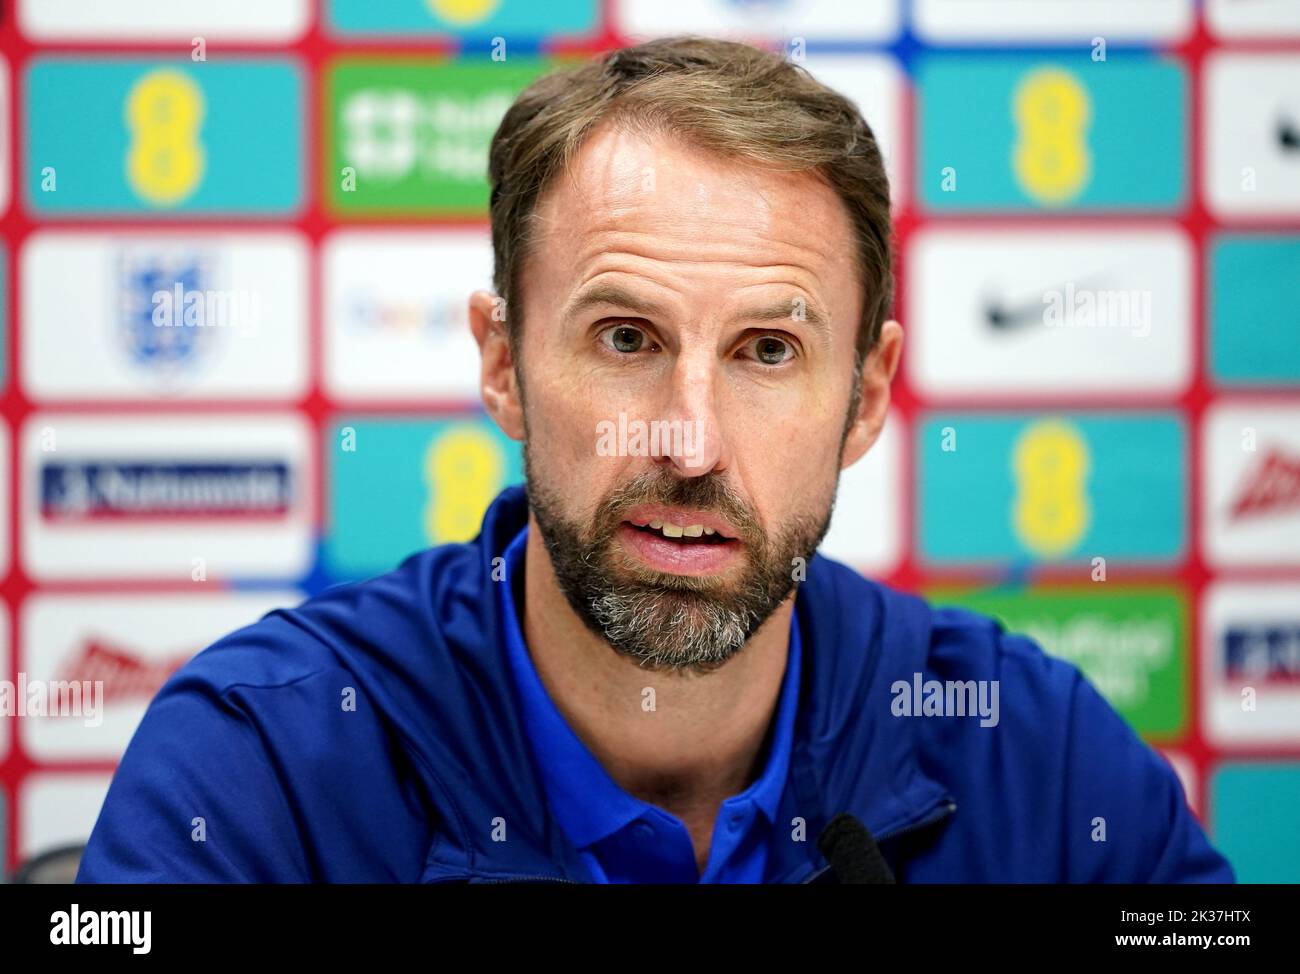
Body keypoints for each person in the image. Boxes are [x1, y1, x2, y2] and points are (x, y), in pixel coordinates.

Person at [77, 35, 1234, 884]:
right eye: (626, 339)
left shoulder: (1034, 757)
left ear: (867, 396)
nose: (687, 441)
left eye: (766, 350)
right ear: (502, 364)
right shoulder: (259, 765)